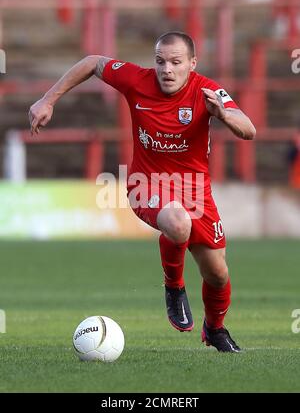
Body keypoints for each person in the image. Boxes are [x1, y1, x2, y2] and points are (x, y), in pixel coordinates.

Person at [29, 31, 256, 352]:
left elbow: (249, 129)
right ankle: (174, 287)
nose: (166, 69)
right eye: (161, 61)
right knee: (178, 223)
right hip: (146, 184)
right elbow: (93, 62)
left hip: (195, 190)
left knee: (218, 273)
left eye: (176, 62)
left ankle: (215, 330)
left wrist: (223, 114)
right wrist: (48, 99)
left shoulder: (207, 91)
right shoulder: (137, 80)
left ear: (192, 63)